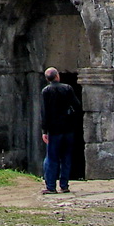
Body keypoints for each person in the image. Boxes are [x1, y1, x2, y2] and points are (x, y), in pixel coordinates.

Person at [39, 66, 81, 194]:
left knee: (52, 158)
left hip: (54, 130)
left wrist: (44, 131)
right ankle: (64, 185)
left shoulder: (46, 91)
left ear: (48, 79)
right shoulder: (67, 88)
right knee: (66, 157)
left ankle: (51, 186)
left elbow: (44, 113)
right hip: (68, 128)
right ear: (57, 76)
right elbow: (77, 105)